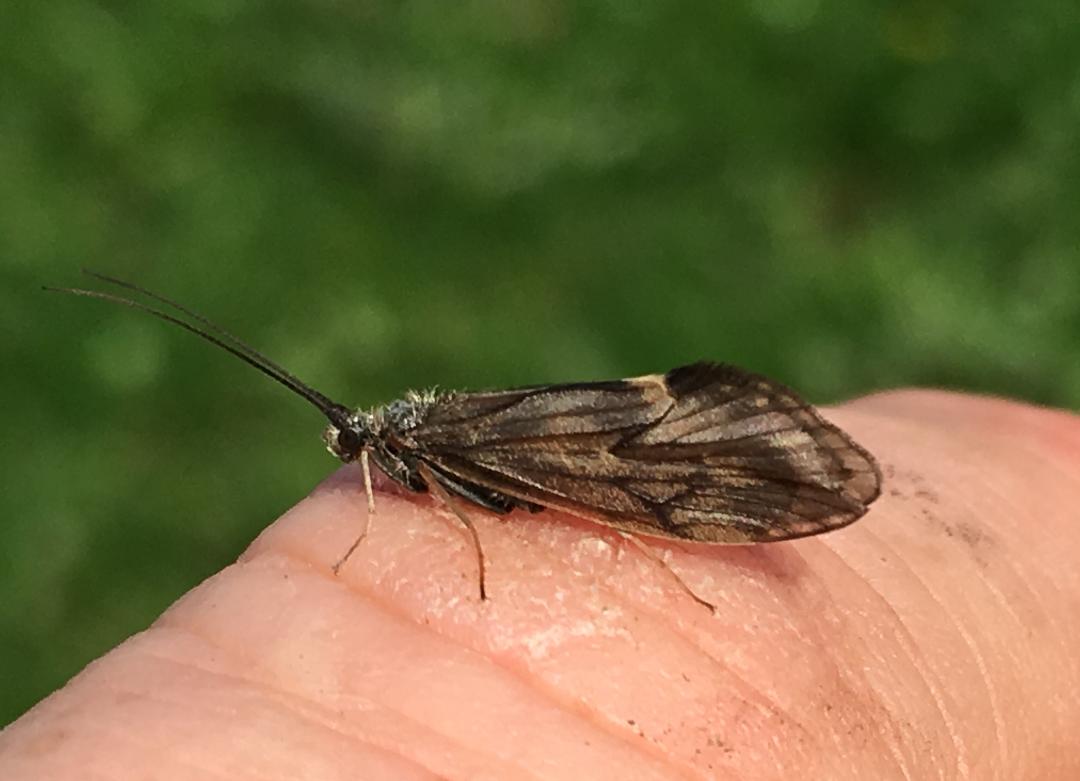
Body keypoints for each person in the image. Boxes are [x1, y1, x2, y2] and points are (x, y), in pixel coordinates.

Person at [1, 390, 1078, 779]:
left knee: (608, 479)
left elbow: (459, 496)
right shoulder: (403, 441)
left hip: (589, 443)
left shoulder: (417, 446)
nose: (350, 457)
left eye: (355, 449)